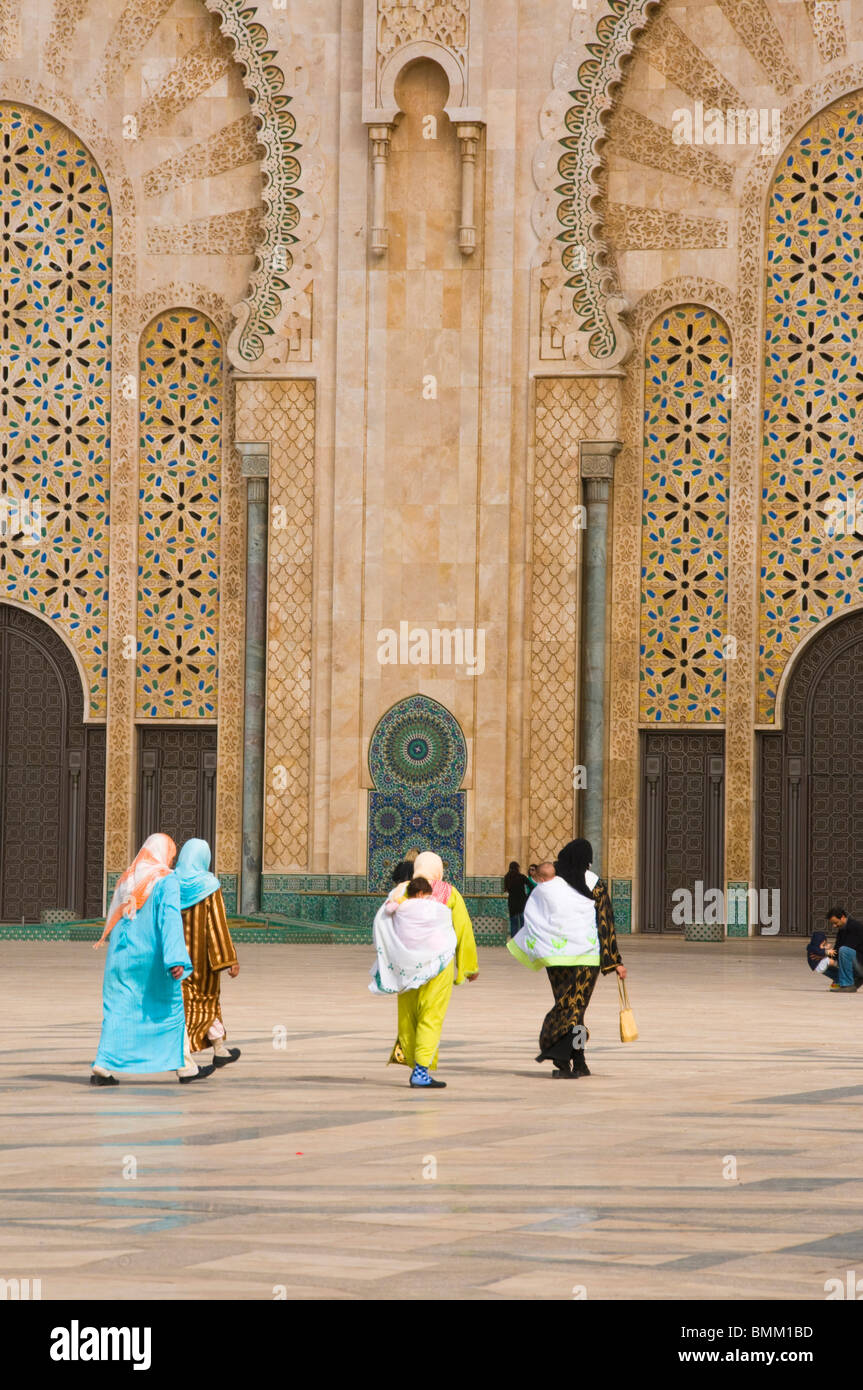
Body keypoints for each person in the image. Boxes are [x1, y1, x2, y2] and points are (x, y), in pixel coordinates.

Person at [91, 834, 213, 1086]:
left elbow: (118, 918)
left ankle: (103, 1065)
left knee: (118, 1011)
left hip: (121, 958)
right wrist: (176, 958)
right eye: (171, 854)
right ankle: (185, 1067)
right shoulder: (167, 880)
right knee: (172, 1009)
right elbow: (169, 920)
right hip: (152, 960)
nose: (172, 859)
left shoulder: (128, 878)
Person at [507, 838, 625, 1078]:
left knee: (571, 1008)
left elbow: (535, 913)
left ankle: (574, 1060)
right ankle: (567, 1058)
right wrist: (614, 960)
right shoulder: (595, 884)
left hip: (557, 957)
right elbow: (605, 924)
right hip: (586, 959)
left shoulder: (549, 886)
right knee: (575, 1009)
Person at [383, 850, 479, 1089]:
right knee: (431, 1015)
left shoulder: (400, 891)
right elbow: (462, 930)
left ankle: (412, 1059)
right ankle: (421, 1070)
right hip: (439, 965)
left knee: (408, 1015)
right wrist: (468, 967)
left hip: (406, 965)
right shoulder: (449, 892)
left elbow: (385, 926)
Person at [175, 838, 241, 1067]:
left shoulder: (171, 883)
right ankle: (185, 1059)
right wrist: (228, 958)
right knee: (204, 1003)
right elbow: (217, 924)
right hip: (203, 962)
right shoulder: (209, 885)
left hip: (176, 960)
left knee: (189, 1004)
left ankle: (219, 1049)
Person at [370, 875, 457, 995]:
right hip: (425, 943)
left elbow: (389, 909)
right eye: (427, 895)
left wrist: (394, 898)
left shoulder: (401, 902)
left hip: (405, 944)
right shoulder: (427, 905)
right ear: (420, 894)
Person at [823, 908, 863, 991]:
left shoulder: (855, 927)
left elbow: (848, 948)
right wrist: (828, 958)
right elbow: (837, 948)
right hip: (852, 963)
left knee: (844, 950)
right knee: (820, 963)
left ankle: (848, 984)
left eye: (836, 922)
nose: (834, 926)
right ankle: (841, 981)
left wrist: (835, 961)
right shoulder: (842, 929)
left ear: (843, 917)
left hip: (860, 963)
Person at [503, 860, 530, 937]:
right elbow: (531, 886)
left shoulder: (507, 877)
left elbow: (505, 889)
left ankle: (514, 942)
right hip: (522, 902)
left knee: (513, 923)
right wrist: (528, 896)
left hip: (512, 903)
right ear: (517, 868)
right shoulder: (521, 877)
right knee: (522, 923)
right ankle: (522, 940)